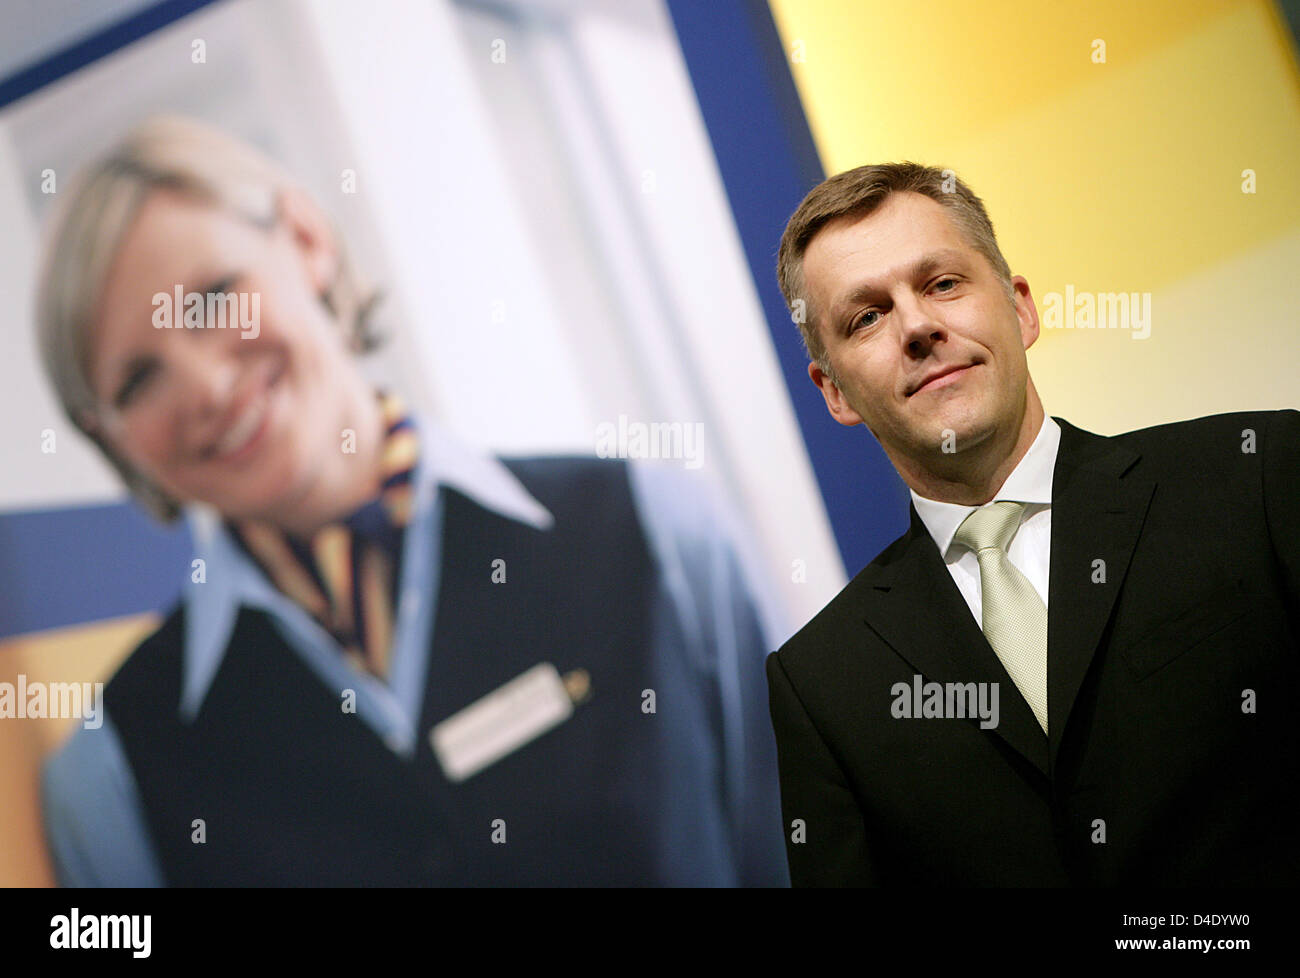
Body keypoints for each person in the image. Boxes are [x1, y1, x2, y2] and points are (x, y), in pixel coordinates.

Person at [35, 115, 789, 886]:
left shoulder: (653, 531)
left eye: (213, 299)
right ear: (114, 440)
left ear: (305, 240)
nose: (209, 386)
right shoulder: (115, 772)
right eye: (138, 379)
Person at [765, 162, 1299, 886]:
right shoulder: (821, 684)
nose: (918, 327)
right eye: (867, 317)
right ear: (834, 392)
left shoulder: (1256, 476)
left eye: (942, 284)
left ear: (1020, 309)